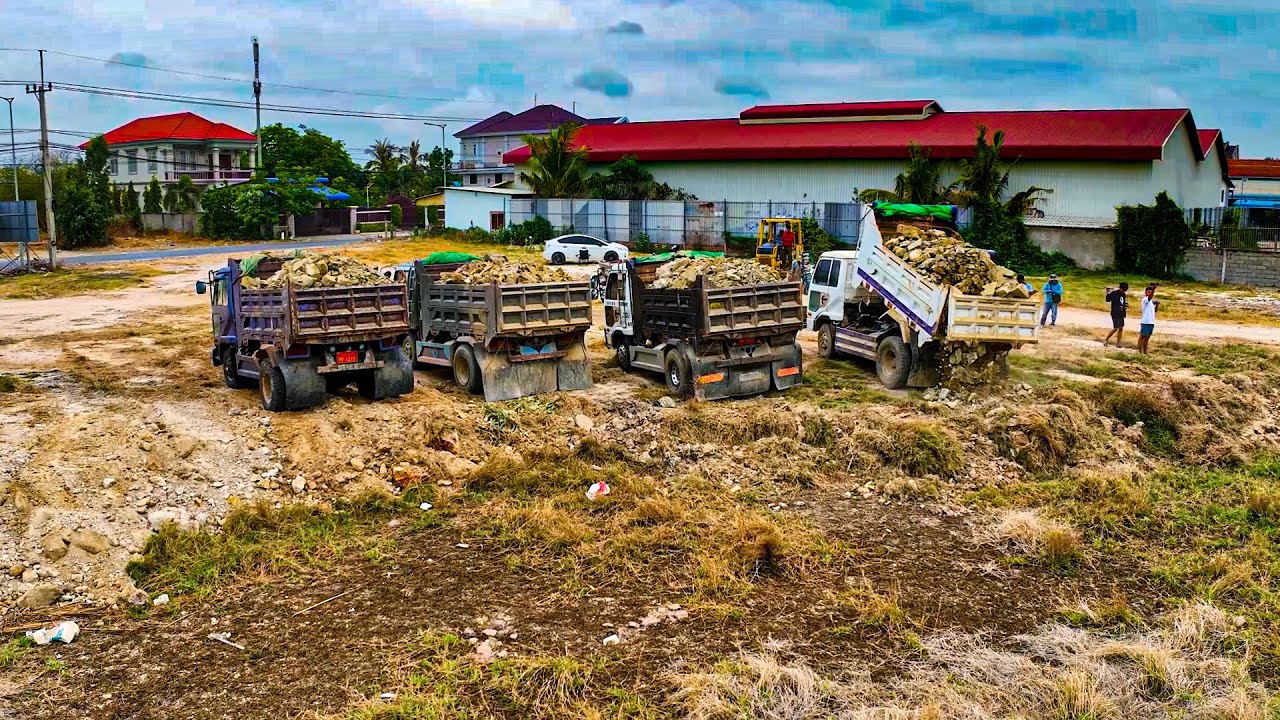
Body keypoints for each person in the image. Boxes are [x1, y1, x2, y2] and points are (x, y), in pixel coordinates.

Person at [1103, 282, 1129, 347]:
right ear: (1120, 288)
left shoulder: (1123, 294)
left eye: (1125, 290)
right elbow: (1108, 300)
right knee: (1115, 328)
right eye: (1123, 290)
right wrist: (1108, 293)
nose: (1123, 291)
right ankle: (1106, 339)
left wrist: (1125, 305)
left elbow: (1122, 302)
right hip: (1115, 312)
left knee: (1121, 328)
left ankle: (1118, 343)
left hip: (1121, 313)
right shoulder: (1114, 293)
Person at [1138, 284, 1159, 355]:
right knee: (1142, 337)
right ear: (1145, 293)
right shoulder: (1145, 299)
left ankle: (1145, 352)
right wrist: (1153, 289)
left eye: (1150, 292)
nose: (1150, 293)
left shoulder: (1151, 302)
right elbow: (1150, 297)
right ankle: (1140, 353)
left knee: (1147, 338)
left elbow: (1155, 310)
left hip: (1151, 322)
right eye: (1148, 292)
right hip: (1146, 321)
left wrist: (1157, 305)